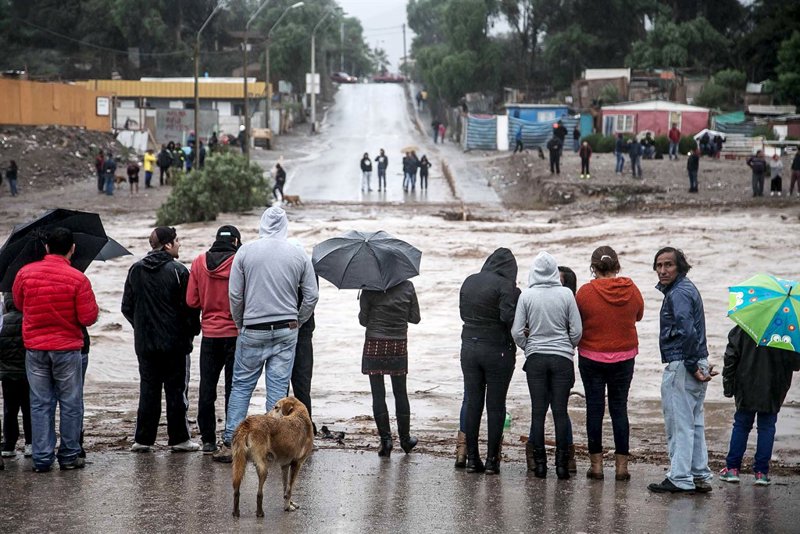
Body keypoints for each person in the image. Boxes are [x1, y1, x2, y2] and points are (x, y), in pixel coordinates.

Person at [213, 207, 318, 463]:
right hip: (286, 329)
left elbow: (235, 295)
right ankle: (271, 446)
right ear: (285, 225)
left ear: (261, 224)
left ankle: (231, 442)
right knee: (278, 390)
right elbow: (312, 295)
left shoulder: (246, 252)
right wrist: (298, 320)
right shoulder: (298, 253)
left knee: (241, 386)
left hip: (252, 328)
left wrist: (241, 324)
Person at [13, 228, 99, 472]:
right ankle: (70, 456)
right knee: (71, 402)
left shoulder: (24, 273)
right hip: (67, 349)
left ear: (47, 248)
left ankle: (41, 458)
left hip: (35, 348)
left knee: (40, 402)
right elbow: (88, 317)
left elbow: (20, 304)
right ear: (72, 249)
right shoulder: (78, 279)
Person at [122, 226, 201, 454]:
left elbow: (126, 307)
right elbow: (190, 309)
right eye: (177, 241)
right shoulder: (178, 271)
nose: (179, 244)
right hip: (175, 345)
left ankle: (143, 440)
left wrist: (141, 328)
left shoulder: (135, 270)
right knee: (176, 390)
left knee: (148, 389)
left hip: (145, 345)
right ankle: (179, 439)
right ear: (167, 245)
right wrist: (191, 333)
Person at [647, 247, 715, 494]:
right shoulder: (686, 288)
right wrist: (699, 361)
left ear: (680, 267)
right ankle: (698, 474)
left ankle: (679, 477)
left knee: (679, 423)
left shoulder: (678, 293)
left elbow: (687, 330)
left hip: (683, 364)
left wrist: (691, 364)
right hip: (696, 360)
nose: (662, 270)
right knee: (695, 422)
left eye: (668, 265)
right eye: (659, 265)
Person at [511, 251, 582, 480]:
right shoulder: (566, 294)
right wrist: (566, 346)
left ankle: (540, 466)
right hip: (562, 358)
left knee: (538, 412)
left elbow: (516, 331)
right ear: (554, 271)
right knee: (560, 412)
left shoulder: (527, 295)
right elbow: (577, 331)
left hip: (536, 359)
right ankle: (562, 466)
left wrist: (528, 347)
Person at [575, 247, 644, 481]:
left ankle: (596, 467)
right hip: (624, 356)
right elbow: (639, 315)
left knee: (594, 409)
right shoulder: (631, 290)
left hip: (592, 356)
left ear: (593, 267)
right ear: (617, 266)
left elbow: (577, 321)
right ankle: (622, 468)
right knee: (619, 408)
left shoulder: (584, 293)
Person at [459, 248, 520, 474]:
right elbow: (508, 318)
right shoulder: (506, 286)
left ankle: (472, 460)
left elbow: (462, 313)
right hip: (497, 351)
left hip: (469, 348)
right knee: (496, 406)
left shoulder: (469, 281)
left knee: (474, 403)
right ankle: (493, 462)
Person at [719, 326, 800, 486]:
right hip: (774, 386)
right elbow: (796, 364)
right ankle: (761, 473)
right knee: (767, 427)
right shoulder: (787, 330)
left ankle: (733, 469)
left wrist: (728, 384)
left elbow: (731, 356)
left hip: (745, 383)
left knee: (741, 425)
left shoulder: (745, 326)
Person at [186, 225, 241, 454]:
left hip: (210, 334)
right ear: (236, 242)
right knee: (234, 388)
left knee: (207, 388)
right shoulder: (240, 262)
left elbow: (191, 301)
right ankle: (232, 436)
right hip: (236, 334)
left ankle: (208, 439)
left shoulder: (199, 262)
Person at [360, 278, 421, 458]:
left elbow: (363, 321)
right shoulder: (408, 286)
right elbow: (415, 318)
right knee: (400, 392)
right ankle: (405, 440)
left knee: (378, 393)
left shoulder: (368, 286)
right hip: (398, 344)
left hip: (374, 343)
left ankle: (386, 441)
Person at [0, 293, 32, 458]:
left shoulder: (2, 321)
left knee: (10, 410)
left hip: (7, 374)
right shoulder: (29, 320)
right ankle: (30, 443)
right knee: (29, 409)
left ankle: (9, 444)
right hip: (27, 374)